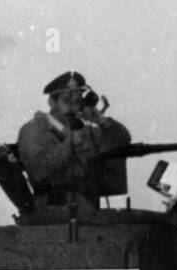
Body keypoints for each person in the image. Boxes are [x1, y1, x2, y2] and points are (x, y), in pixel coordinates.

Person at [15, 71, 132, 206]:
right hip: (51, 212)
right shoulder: (33, 130)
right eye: (66, 101)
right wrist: (68, 146)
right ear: (52, 102)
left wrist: (100, 120)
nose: (72, 107)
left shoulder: (85, 131)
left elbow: (122, 140)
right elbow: (38, 172)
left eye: (77, 102)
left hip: (86, 207)